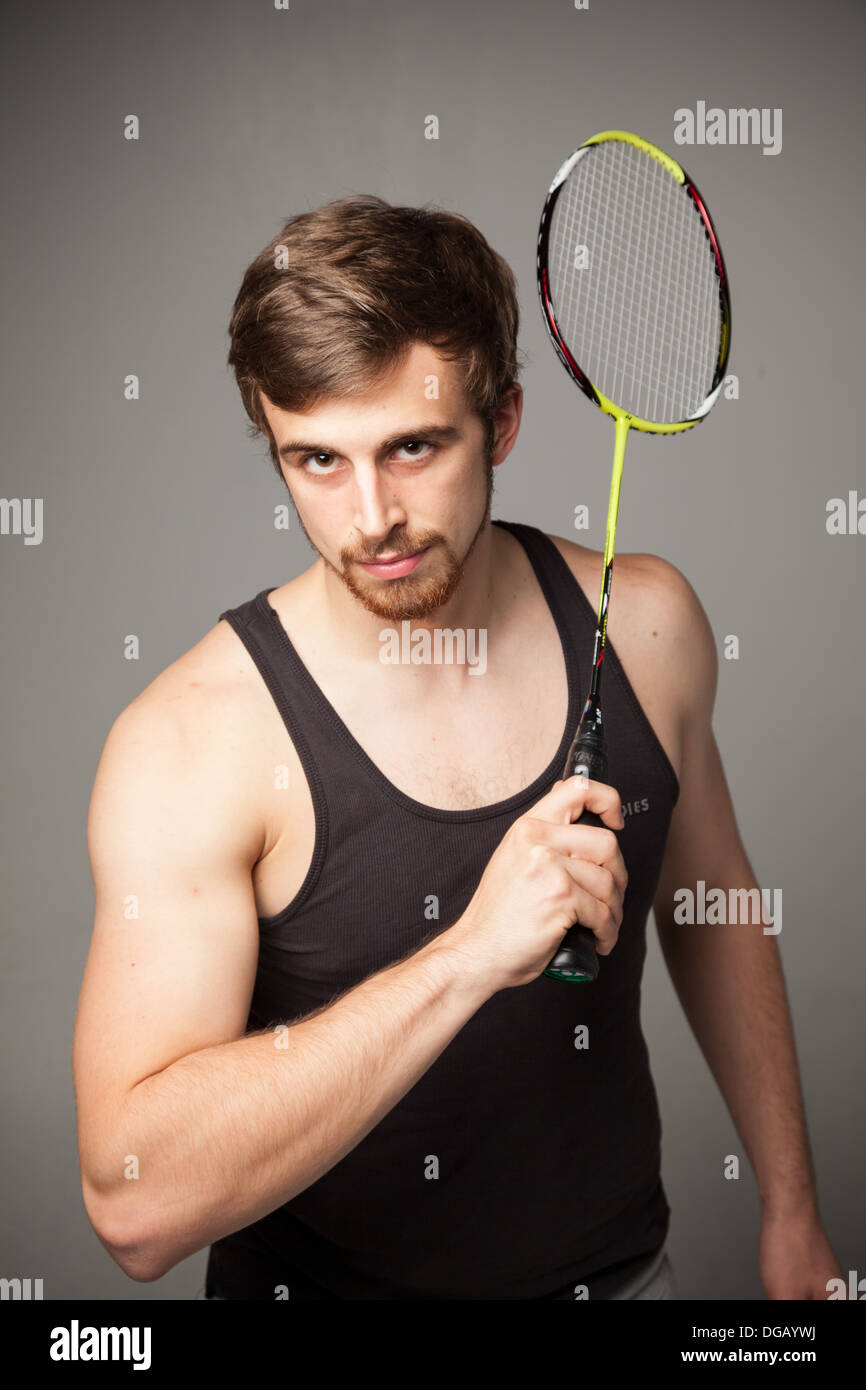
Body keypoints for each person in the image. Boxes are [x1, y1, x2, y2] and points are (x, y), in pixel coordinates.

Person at [73, 195, 841, 1301]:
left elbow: (710, 903)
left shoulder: (646, 626)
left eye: (412, 447)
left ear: (504, 421)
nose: (370, 517)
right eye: (316, 462)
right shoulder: (191, 744)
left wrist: (789, 1206)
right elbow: (133, 1208)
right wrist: (467, 954)